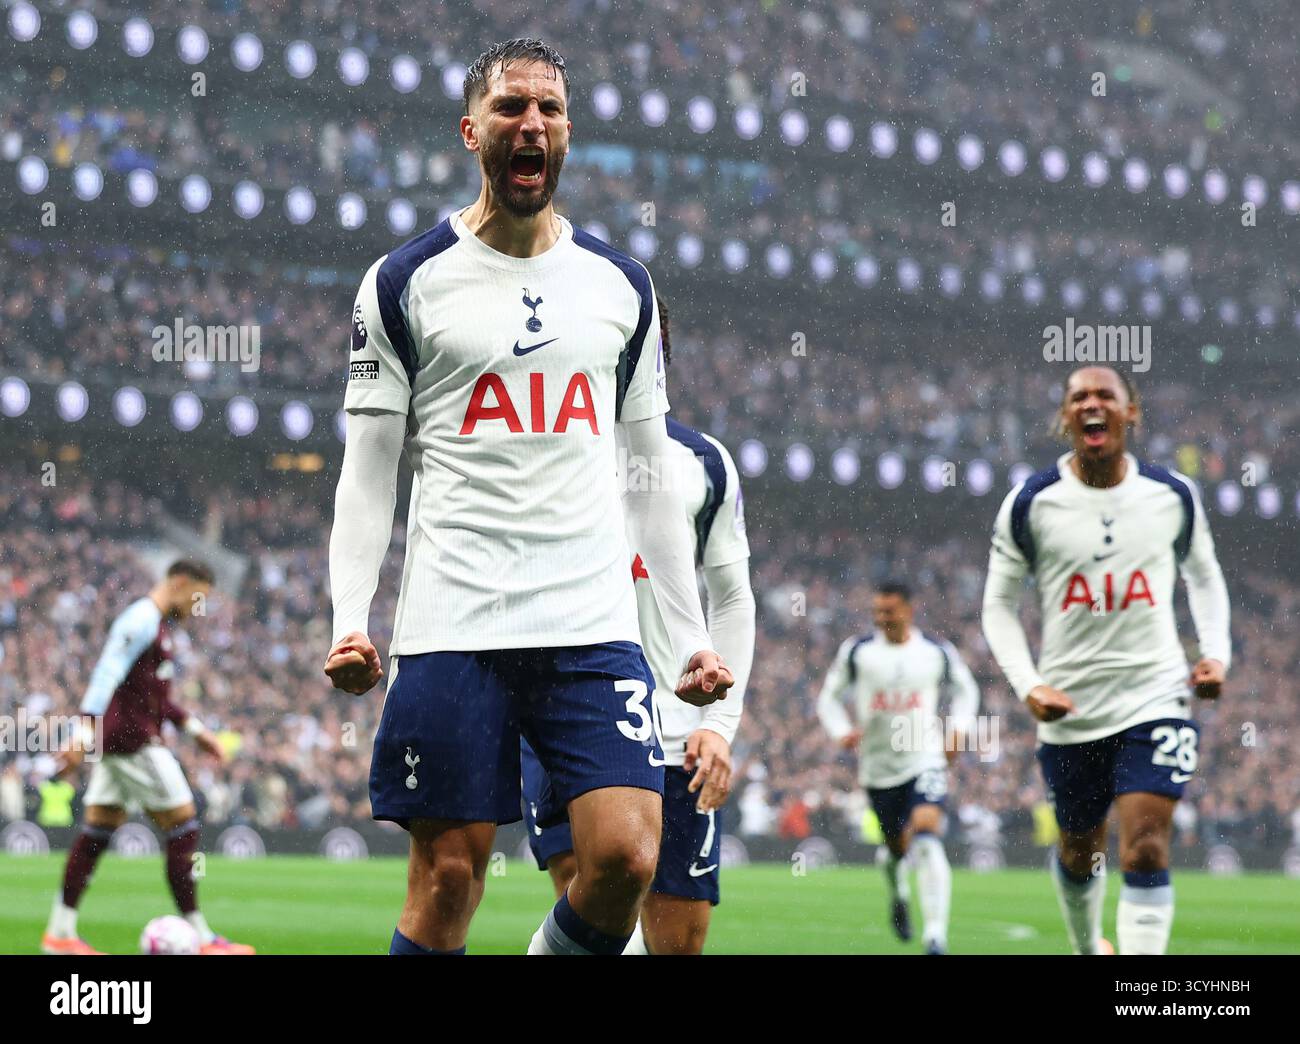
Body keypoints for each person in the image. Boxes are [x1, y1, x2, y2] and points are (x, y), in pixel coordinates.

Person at [323, 39, 732, 956]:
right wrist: (351, 616)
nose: (531, 124)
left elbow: (650, 476)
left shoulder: (622, 286)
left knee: (627, 857)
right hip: (454, 617)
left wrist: (691, 632)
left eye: (548, 109)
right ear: (472, 131)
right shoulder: (402, 283)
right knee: (449, 881)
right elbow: (368, 467)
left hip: (589, 621)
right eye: (511, 107)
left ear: (568, 133)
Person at [521, 295, 756, 954]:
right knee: (598, 898)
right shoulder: (545, 451)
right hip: (570, 712)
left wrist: (719, 727)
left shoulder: (703, 463)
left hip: (681, 735)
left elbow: (734, 601)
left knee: (677, 942)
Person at [982, 365, 1230, 955]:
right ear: (1065, 417)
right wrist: (1029, 685)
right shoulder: (1031, 502)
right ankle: (1089, 946)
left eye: (1105, 396)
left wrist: (1215, 655)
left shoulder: (1171, 495)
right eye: (1078, 398)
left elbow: (1205, 576)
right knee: (1079, 849)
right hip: (1070, 707)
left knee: (1145, 843)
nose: (1092, 405)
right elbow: (997, 605)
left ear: (1131, 411)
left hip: (1157, 694)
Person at [42, 560, 252, 956]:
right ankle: (202, 939)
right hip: (133, 742)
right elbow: (106, 672)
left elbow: (160, 699)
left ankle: (60, 934)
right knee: (183, 826)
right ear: (180, 582)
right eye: (197, 597)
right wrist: (81, 734)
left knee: (96, 833)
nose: (196, 608)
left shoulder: (159, 628)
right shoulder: (139, 620)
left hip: (120, 742)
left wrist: (198, 732)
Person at [817, 582, 979, 954]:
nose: (881, 618)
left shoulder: (936, 652)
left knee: (925, 833)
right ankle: (899, 894)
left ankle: (936, 935)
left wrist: (958, 730)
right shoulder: (858, 652)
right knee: (894, 850)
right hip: (878, 767)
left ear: (908, 609)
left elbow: (967, 690)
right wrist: (841, 731)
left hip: (925, 758)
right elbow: (827, 698)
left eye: (888, 611)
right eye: (877, 611)